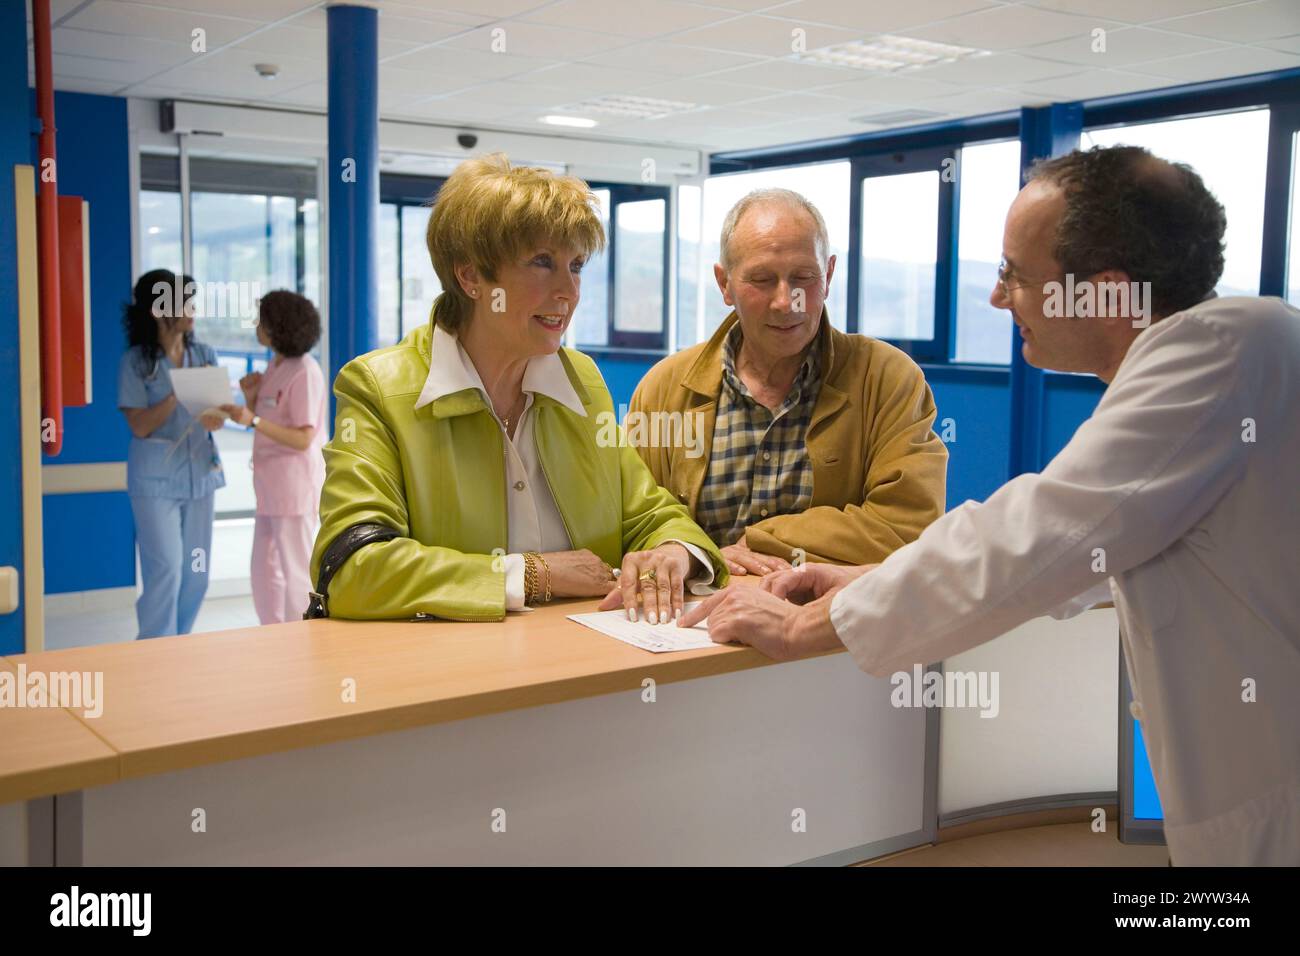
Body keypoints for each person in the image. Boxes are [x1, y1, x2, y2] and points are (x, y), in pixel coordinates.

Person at [684, 146, 1300, 866]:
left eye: (1015, 274)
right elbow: (1104, 554)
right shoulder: (1249, 346)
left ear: (1101, 293)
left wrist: (805, 627)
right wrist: (864, 582)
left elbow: (1037, 538)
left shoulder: (1214, 354)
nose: (997, 298)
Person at [309, 154, 726, 624]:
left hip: (586, 670)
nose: (569, 291)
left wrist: (674, 551)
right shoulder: (378, 388)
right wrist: (531, 575)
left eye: (577, 265)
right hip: (449, 680)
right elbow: (350, 569)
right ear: (470, 277)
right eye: (542, 263)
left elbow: (650, 514)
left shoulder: (581, 380)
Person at [629, 188, 947, 577]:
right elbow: (633, 522)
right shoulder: (664, 390)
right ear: (724, 284)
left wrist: (759, 542)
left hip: (828, 627)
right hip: (690, 628)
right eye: (762, 280)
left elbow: (906, 526)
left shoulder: (887, 381)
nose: (786, 301)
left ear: (828, 275)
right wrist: (698, 555)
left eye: (803, 277)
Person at [117, 269, 226, 638]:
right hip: (154, 481)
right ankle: (154, 648)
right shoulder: (136, 363)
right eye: (184, 302)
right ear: (158, 309)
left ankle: (178, 647)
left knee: (197, 572)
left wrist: (217, 414)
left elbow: (217, 419)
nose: (192, 309)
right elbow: (140, 426)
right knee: (165, 568)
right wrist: (176, 394)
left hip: (200, 473)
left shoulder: (205, 354)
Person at [221, 291, 327, 624]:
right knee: (264, 567)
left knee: (294, 567)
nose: (257, 326)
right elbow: (267, 420)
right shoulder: (276, 364)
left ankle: (299, 636)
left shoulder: (305, 372)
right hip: (269, 486)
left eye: (261, 320)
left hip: (293, 485)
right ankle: (271, 630)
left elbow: (303, 437)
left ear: (277, 326)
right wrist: (251, 398)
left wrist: (251, 419)